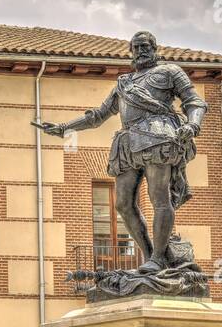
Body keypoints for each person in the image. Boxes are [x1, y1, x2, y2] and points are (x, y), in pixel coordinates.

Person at [33, 30, 207, 274]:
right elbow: (98, 115)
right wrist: (64, 128)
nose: (140, 51)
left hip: (158, 136)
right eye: (136, 47)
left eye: (145, 46)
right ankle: (149, 256)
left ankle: (158, 257)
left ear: (155, 49)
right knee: (123, 204)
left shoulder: (170, 72)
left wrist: (193, 124)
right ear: (131, 52)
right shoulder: (125, 82)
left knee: (159, 198)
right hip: (127, 143)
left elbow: (195, 101)